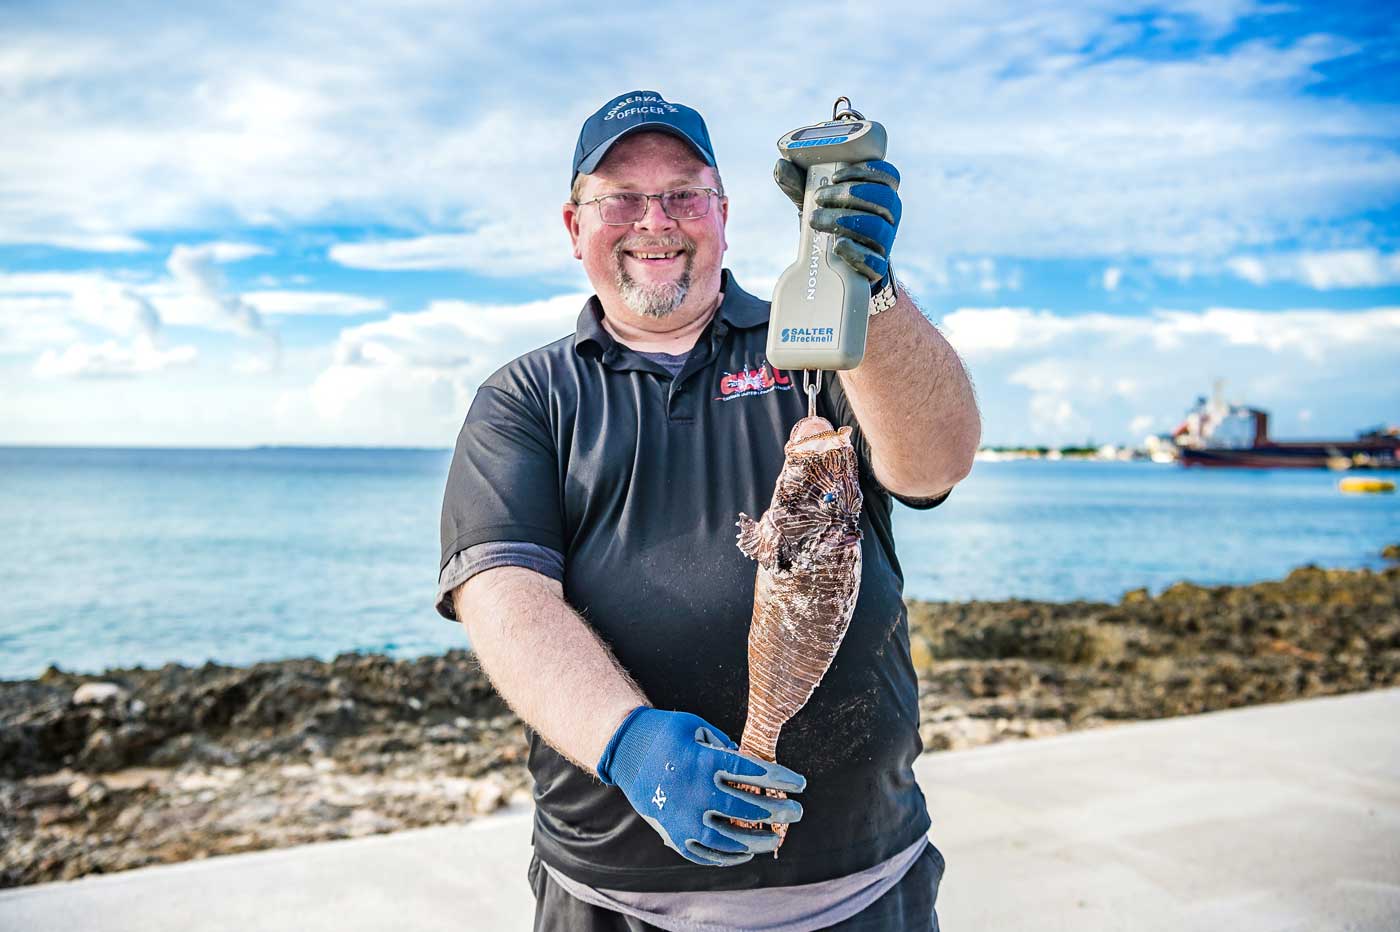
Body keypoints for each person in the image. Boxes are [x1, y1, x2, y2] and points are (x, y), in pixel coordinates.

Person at [436, 90, 980, 932]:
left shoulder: (818, 344)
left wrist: (867, 290)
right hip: (610, 895)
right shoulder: (526, 397)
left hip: (862, 885)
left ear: (724, 216)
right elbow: (503, 595)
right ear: (574, 227)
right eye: (620, 197)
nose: (655, 220)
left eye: (684, 193)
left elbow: (936, 463)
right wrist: (630, 742)